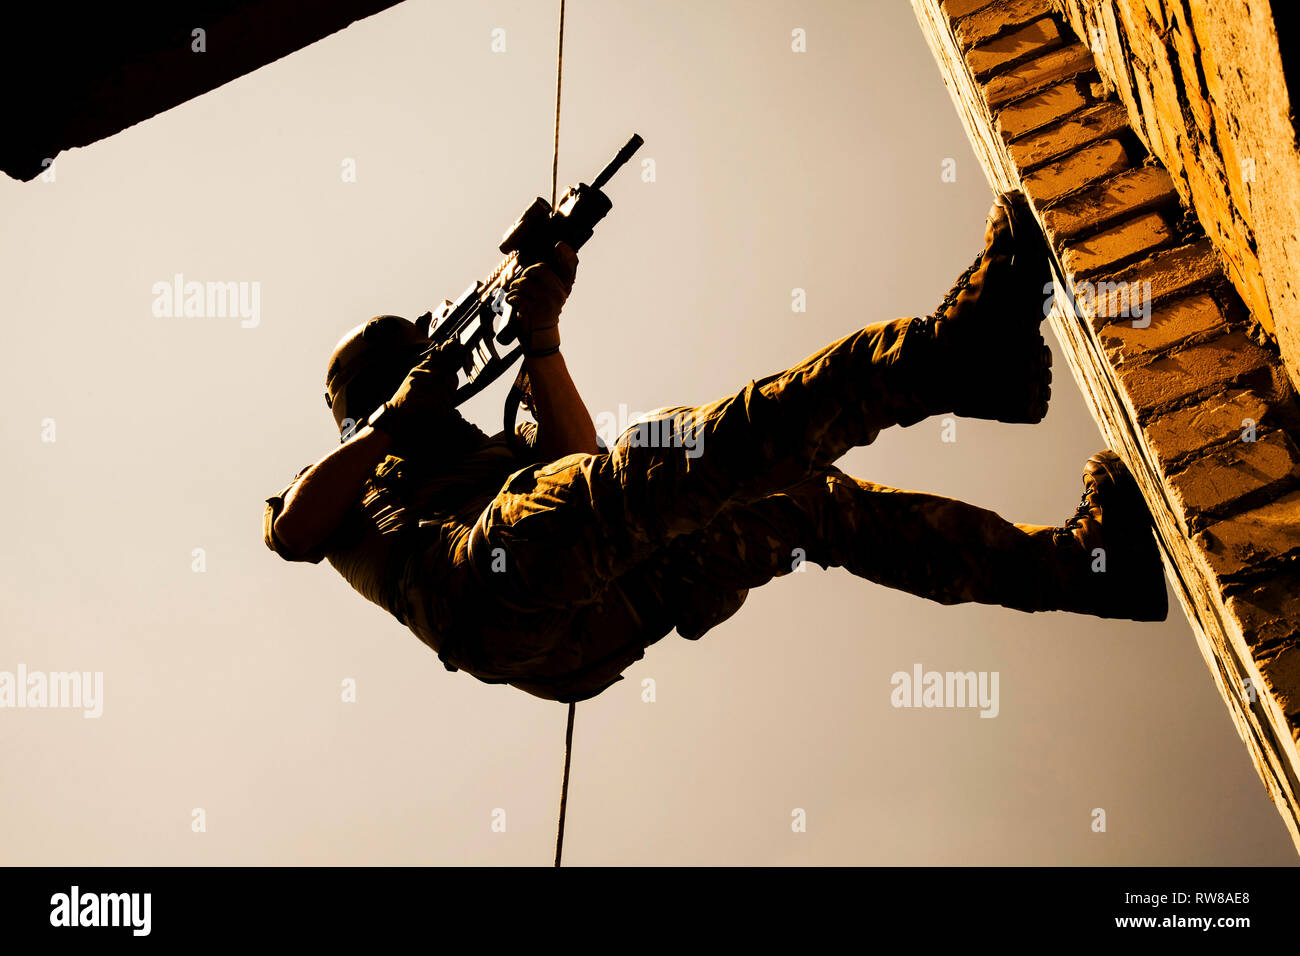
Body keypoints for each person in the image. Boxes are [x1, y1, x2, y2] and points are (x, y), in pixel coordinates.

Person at [263, 193, 1167, 703]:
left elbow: (581, 468)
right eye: (421, 364)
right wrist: (398, 418)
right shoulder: (349, 485)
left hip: (616, 604)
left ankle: (1084, 571)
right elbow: (293, 535)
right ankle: (948, 359)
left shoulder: (478, 452)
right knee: (678, 457)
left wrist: (541, 336)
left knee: (806, 503)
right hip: (489, 597)